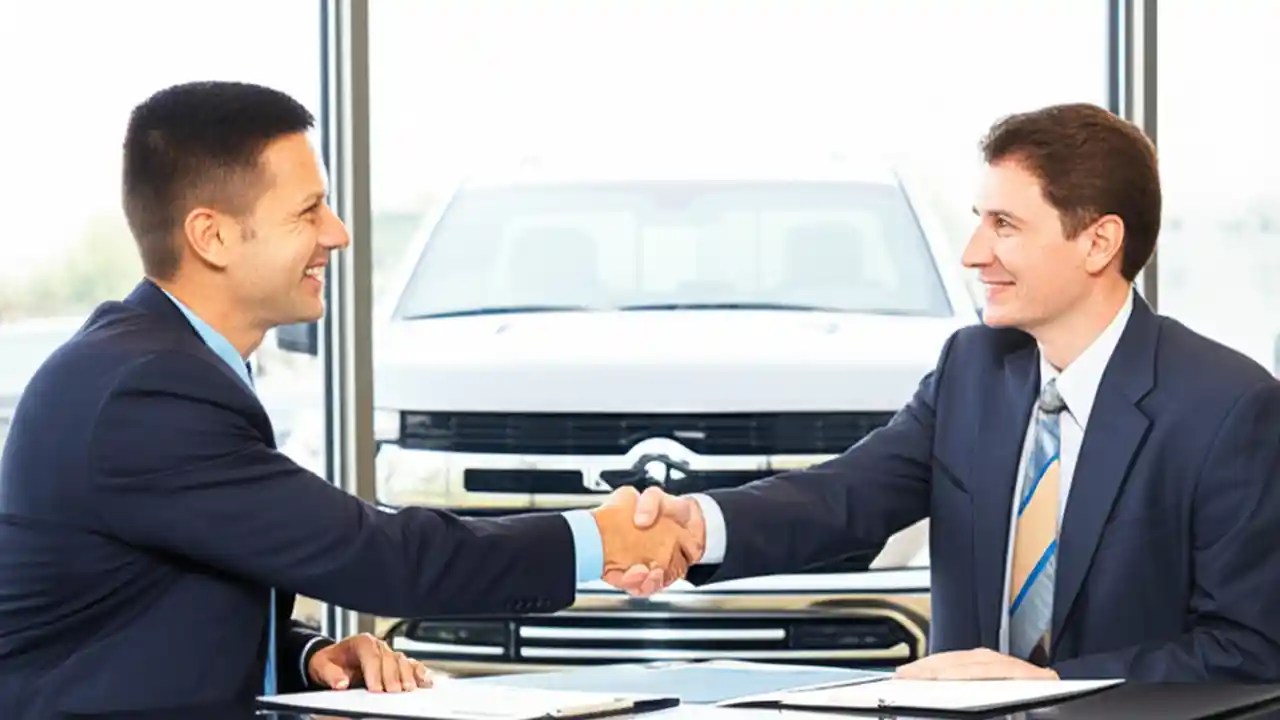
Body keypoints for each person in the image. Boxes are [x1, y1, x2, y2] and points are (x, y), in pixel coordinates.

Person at [0, 81, 692, 719]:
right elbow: (380, 556)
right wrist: (598, 537)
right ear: (211, 236)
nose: (338, 233)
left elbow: (144, 602)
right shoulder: (144, 392)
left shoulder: (149, 363)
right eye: (308, 211)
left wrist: (302, 657)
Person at [615, 103, 1280, 681]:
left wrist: (1048, 683)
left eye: (1005, 225)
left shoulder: (1227, 409)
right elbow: (847, 496)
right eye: (978, 220)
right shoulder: (975, 367)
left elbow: (1247, 651)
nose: (972, 252)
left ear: (1099, 242)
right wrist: (699, 527)